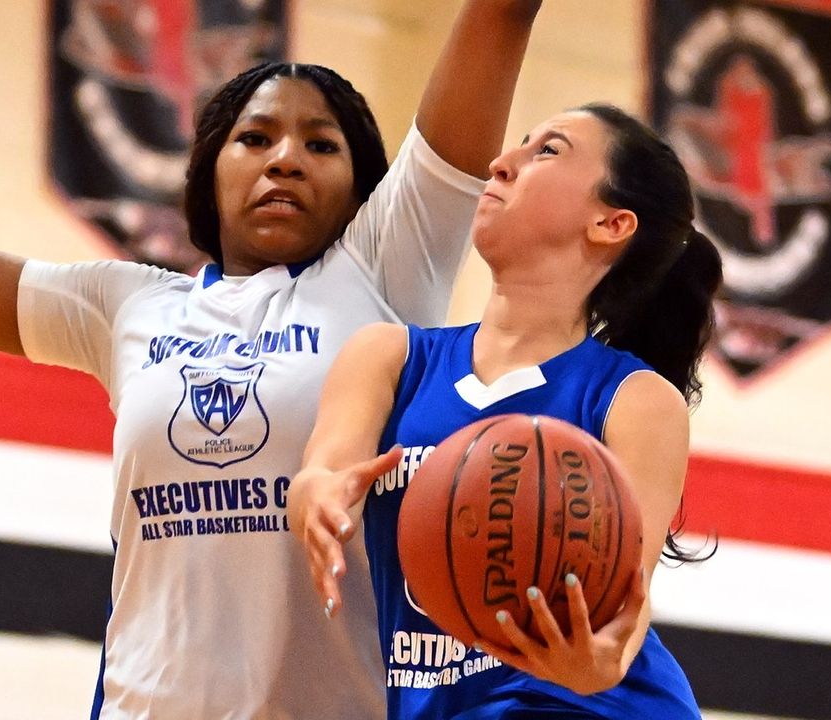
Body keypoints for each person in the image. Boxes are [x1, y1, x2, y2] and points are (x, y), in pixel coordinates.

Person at [0, 0, 546, 717]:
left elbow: (501, 15)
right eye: (255, 138)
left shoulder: (384, 266)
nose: (286, 158)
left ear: (361, 192)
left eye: (321, 146)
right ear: (208, 171)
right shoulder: (129, 304)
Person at [289, 103, 722, 718]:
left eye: (547, 150)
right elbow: (321, 472)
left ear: (610, 223)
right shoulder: (390, 356)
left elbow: (627, 605)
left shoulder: (635, 398)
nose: (501, 162)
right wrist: (316, 498)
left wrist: (600, 660)